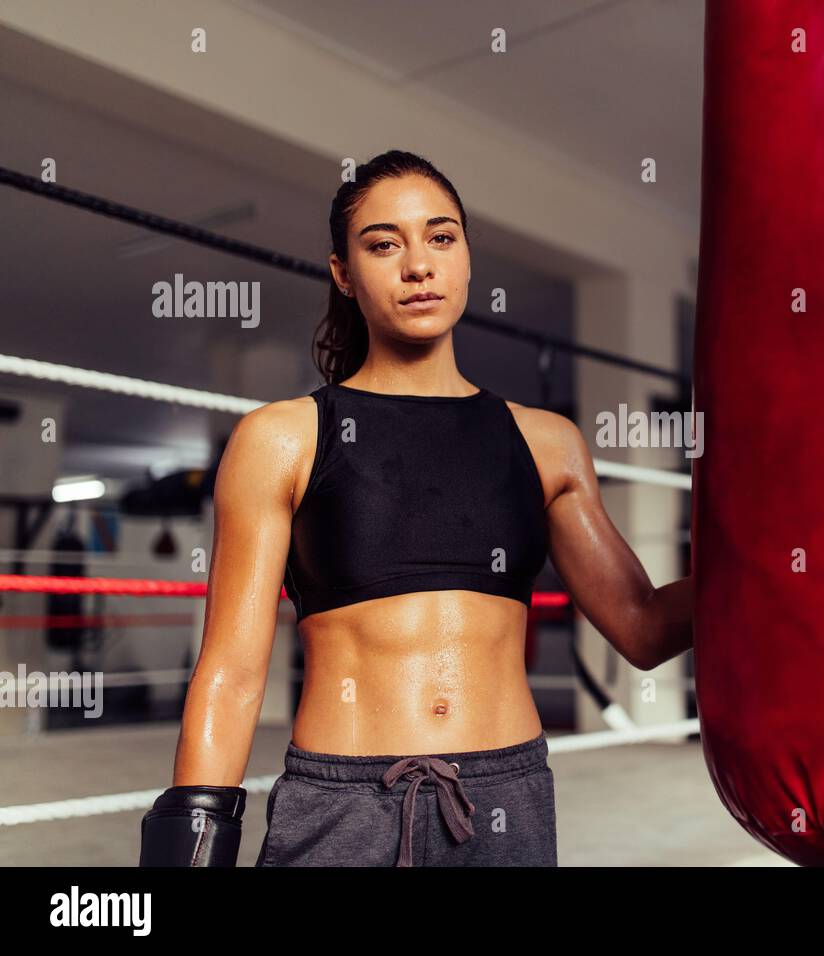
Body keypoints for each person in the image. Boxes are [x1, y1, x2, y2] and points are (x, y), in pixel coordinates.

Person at [139, 149, 694, 867]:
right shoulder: (282, 438)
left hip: (504, 803)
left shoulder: (547, 443)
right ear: (343, 272)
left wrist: (784, 566)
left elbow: (644, 627)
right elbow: (232, 674)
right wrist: (189, 850)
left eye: (441, 237)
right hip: (343, 806)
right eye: (382, 244)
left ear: (466, 256)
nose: (418, 265)